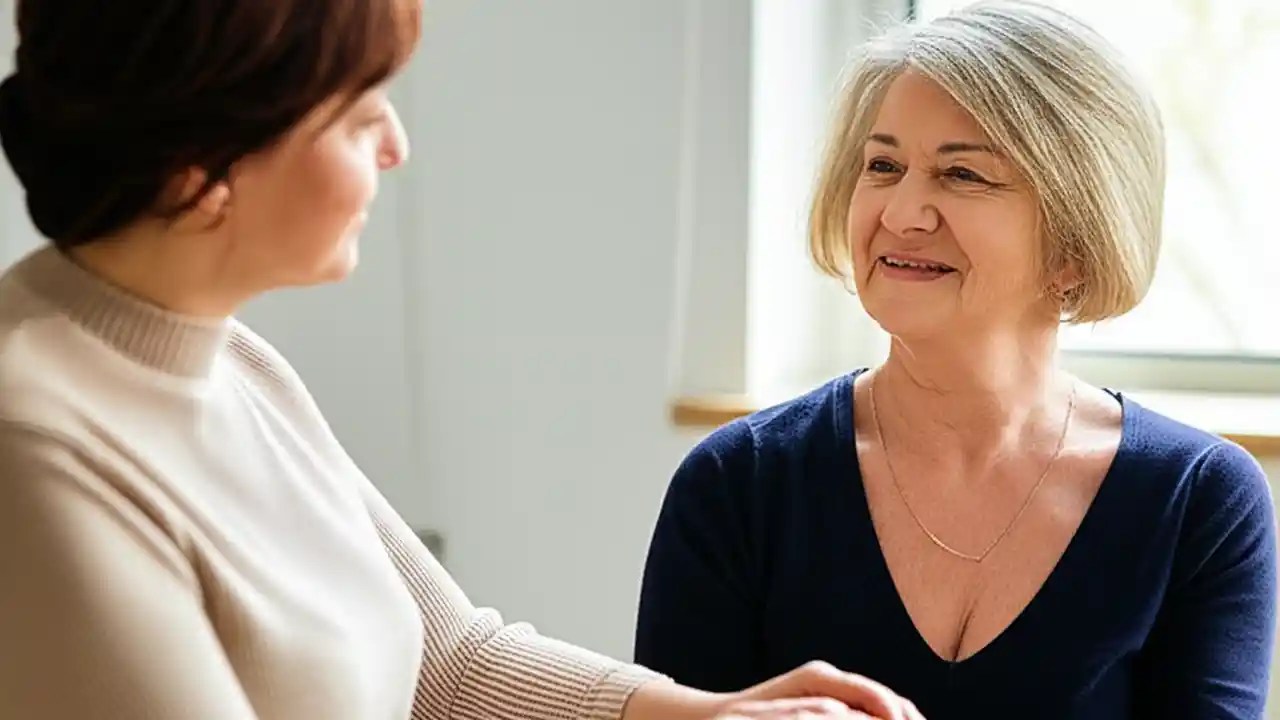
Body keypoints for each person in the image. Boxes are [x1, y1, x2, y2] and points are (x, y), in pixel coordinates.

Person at [0, 1, 929, 719]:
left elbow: (449, 663)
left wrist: (708, 713)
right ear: (204, 160)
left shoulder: (235, 362)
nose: (395, 146)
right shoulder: (36, 447)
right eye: (358, 114)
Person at [634, 1, 1277, 718]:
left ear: (1075, 240)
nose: (900, 213)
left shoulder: (1200, 501)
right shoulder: (737, 483)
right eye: (883, 165)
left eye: (962, 174)